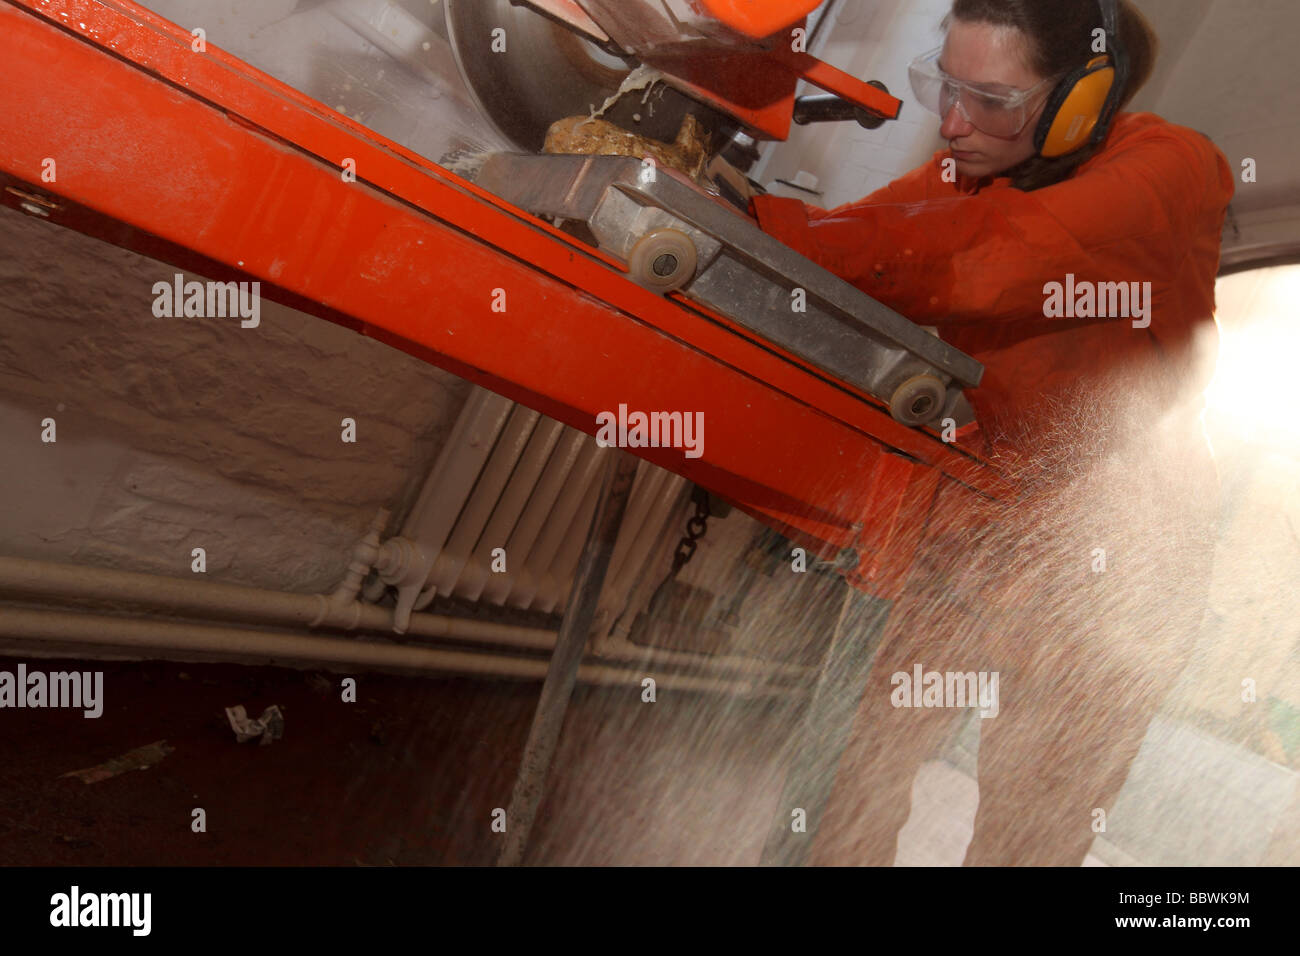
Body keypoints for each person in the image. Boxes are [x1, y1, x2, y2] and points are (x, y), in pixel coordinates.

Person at [750, 0, 1234, 865]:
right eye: (945, 85)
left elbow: (1001, 257)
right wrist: (742, 221)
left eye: (993, 99)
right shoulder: (971, 172)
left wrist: (773, 236)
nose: (954, 121)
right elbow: (863, 240)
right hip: (979, 521)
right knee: (852, 780)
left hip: (1119, 552)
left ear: (1080, 102)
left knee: (1026, 838)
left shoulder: (1174, 169)